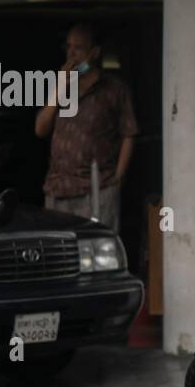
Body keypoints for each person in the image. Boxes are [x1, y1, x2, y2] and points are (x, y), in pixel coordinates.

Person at [34, 23, 138, 231]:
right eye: (68, 47)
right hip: (58, 189)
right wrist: (60, 87)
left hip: (97, 190)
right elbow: (40, 129)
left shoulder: (114, 88)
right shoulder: (62, 87)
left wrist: (118, 177)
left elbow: (129, 133)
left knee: (97, 253)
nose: (71, 54)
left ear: (95, 53)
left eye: (78, 48)